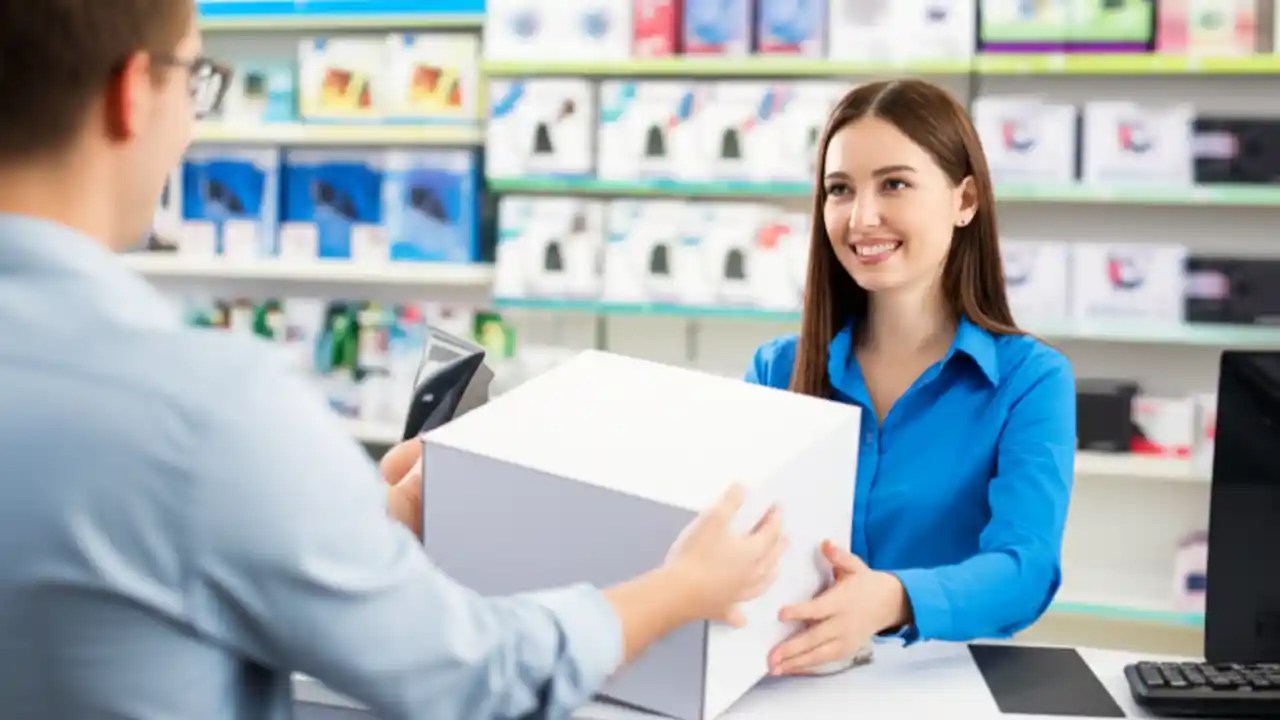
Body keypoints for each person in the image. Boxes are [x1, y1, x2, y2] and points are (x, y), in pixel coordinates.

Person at [0, 2, 787, 719]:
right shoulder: (202, 409)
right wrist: (678, 590)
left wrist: (356, 531)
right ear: (134, 92)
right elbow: (470, 676)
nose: (192, 129)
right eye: (194, 80)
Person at [746, 79, 1077, 677]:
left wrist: (894, 599)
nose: (862, 217)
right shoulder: (776, 370)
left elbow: (1025, 569)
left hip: (939, 686)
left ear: (965, 200)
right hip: (786, 684)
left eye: (894, 184)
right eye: (840, 190)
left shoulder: (1029, 380)